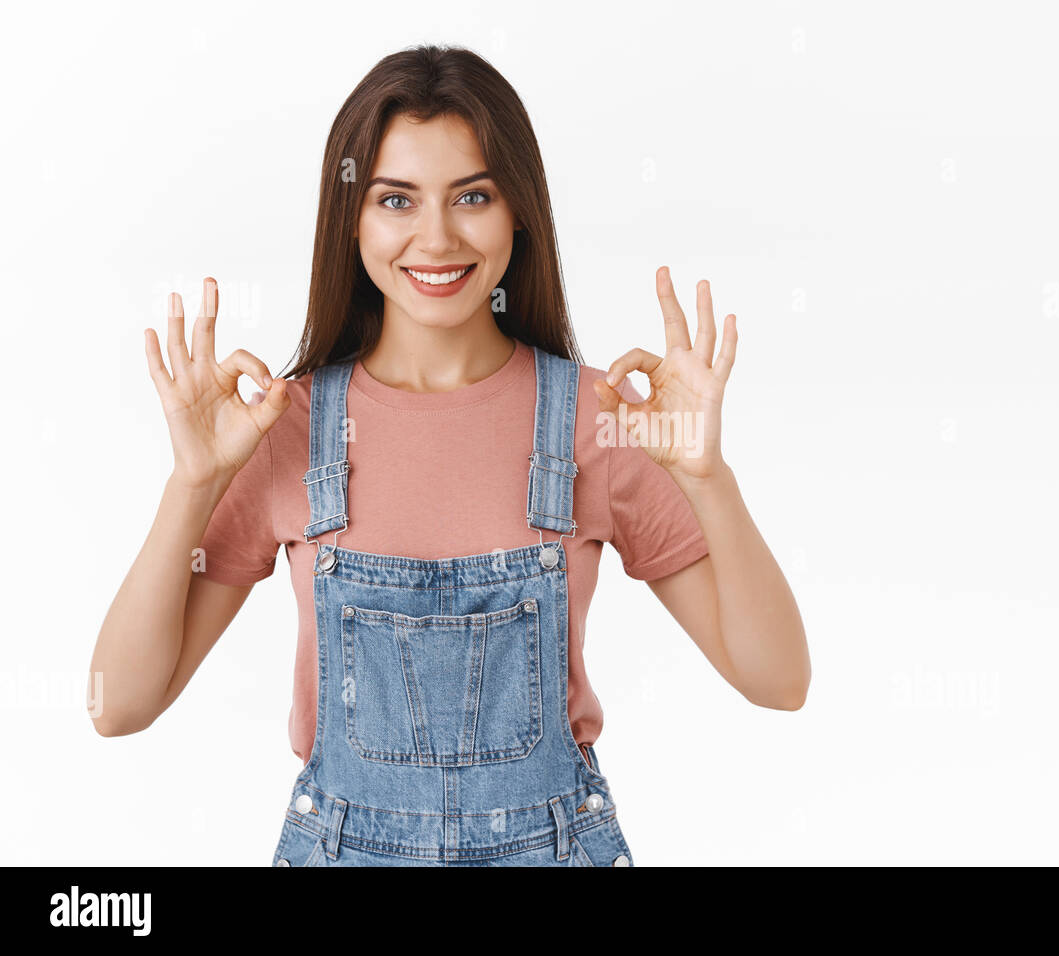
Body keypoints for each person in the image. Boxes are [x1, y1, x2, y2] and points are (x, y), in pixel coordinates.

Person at [91, 44, 809, 866]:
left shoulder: (599, 419)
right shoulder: (281, 429)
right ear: (351, 218)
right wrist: (192, 484)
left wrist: (709, 480)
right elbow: (118, 705)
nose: (435, 238)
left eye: (472, 195)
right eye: (397, 200)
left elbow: (779, 681)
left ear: (517, 213)